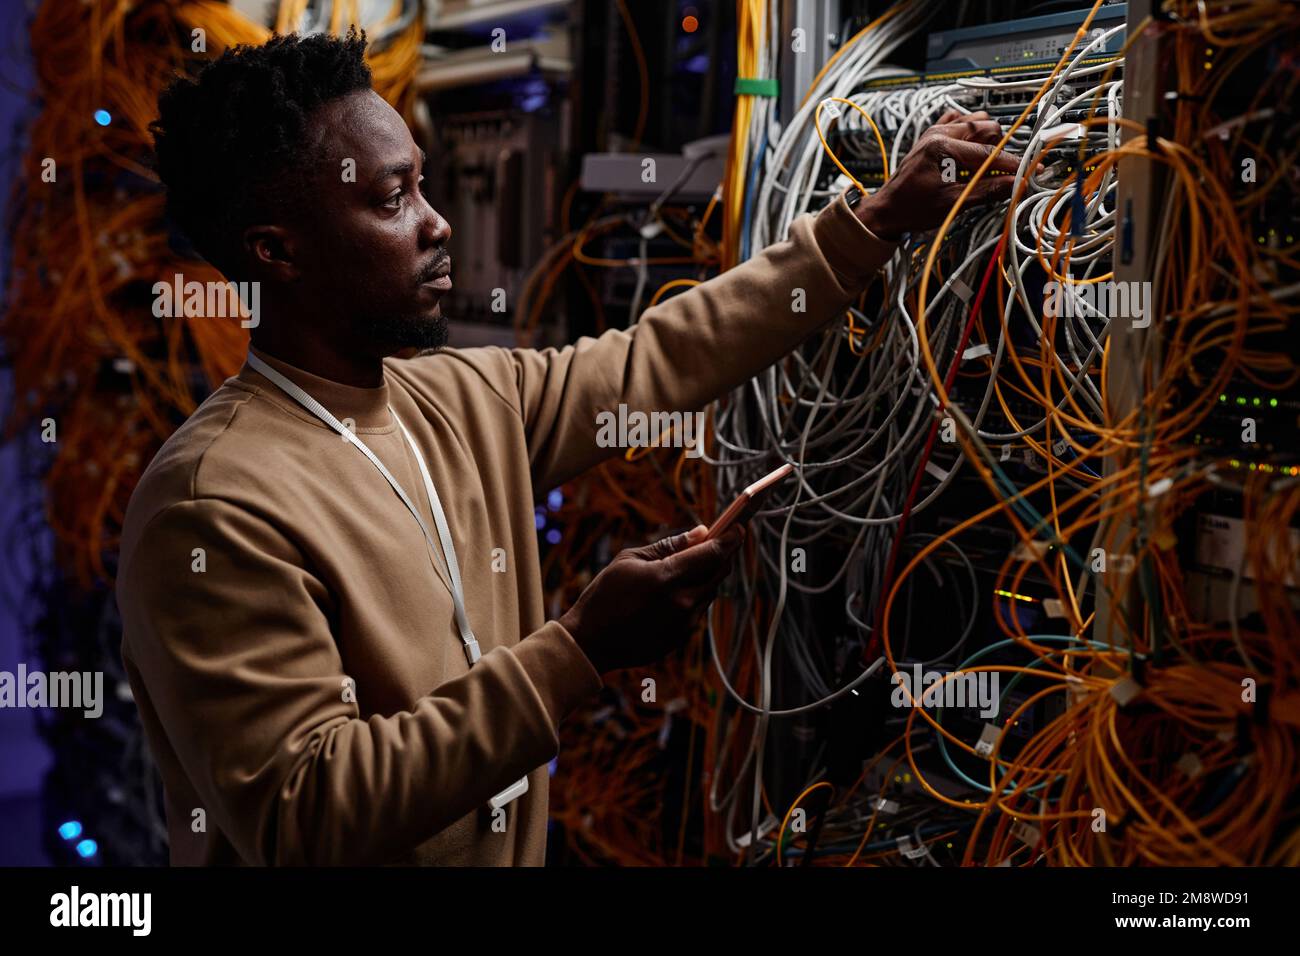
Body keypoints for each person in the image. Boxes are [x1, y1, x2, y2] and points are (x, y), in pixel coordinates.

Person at [117, 29, 1018, 866]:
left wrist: (878, 219)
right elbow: (301, 813)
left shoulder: (457, 399)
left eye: (425, 186)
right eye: (393, 200)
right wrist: (579, 647)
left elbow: (658, 359)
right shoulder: (213, 502)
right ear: (276, 252)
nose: (437, 224)